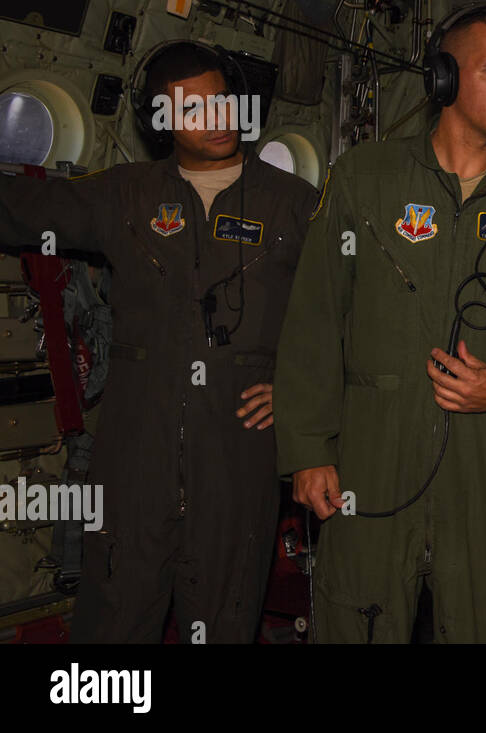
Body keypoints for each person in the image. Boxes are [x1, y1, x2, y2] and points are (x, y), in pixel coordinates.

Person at [274, 3, 486, 644]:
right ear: (444, 80)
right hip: (370, 462)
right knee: (355, 623)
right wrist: (309, 452)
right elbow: (315, 320)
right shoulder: (363, 180)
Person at [0, 41, 318, 642]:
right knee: (113, 621)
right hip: (134, 458)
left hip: (239, 458)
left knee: (226, 619)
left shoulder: (295, 206)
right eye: (192, 110)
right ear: (161, 123)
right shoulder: (124, 195)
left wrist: (297, 385)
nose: (217, 120)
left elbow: (349, 312)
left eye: (223, 103)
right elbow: (18, 207)